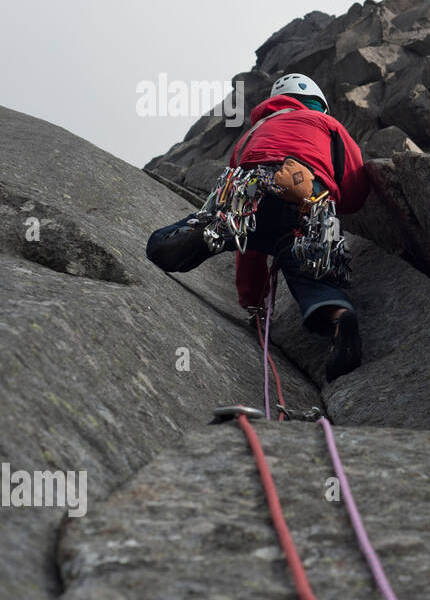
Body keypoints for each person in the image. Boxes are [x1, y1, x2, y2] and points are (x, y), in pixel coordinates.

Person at [146, 73, 370, 381]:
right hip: (308, 198)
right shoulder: (328, 125)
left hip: (249, 190)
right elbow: (355, 178)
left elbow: (248, 256)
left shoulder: (255, 131)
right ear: (319, 103)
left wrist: (253, 303)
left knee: (234, 228)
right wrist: (345, 204)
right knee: (309, 271)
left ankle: (188, 238)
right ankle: (338, 317)